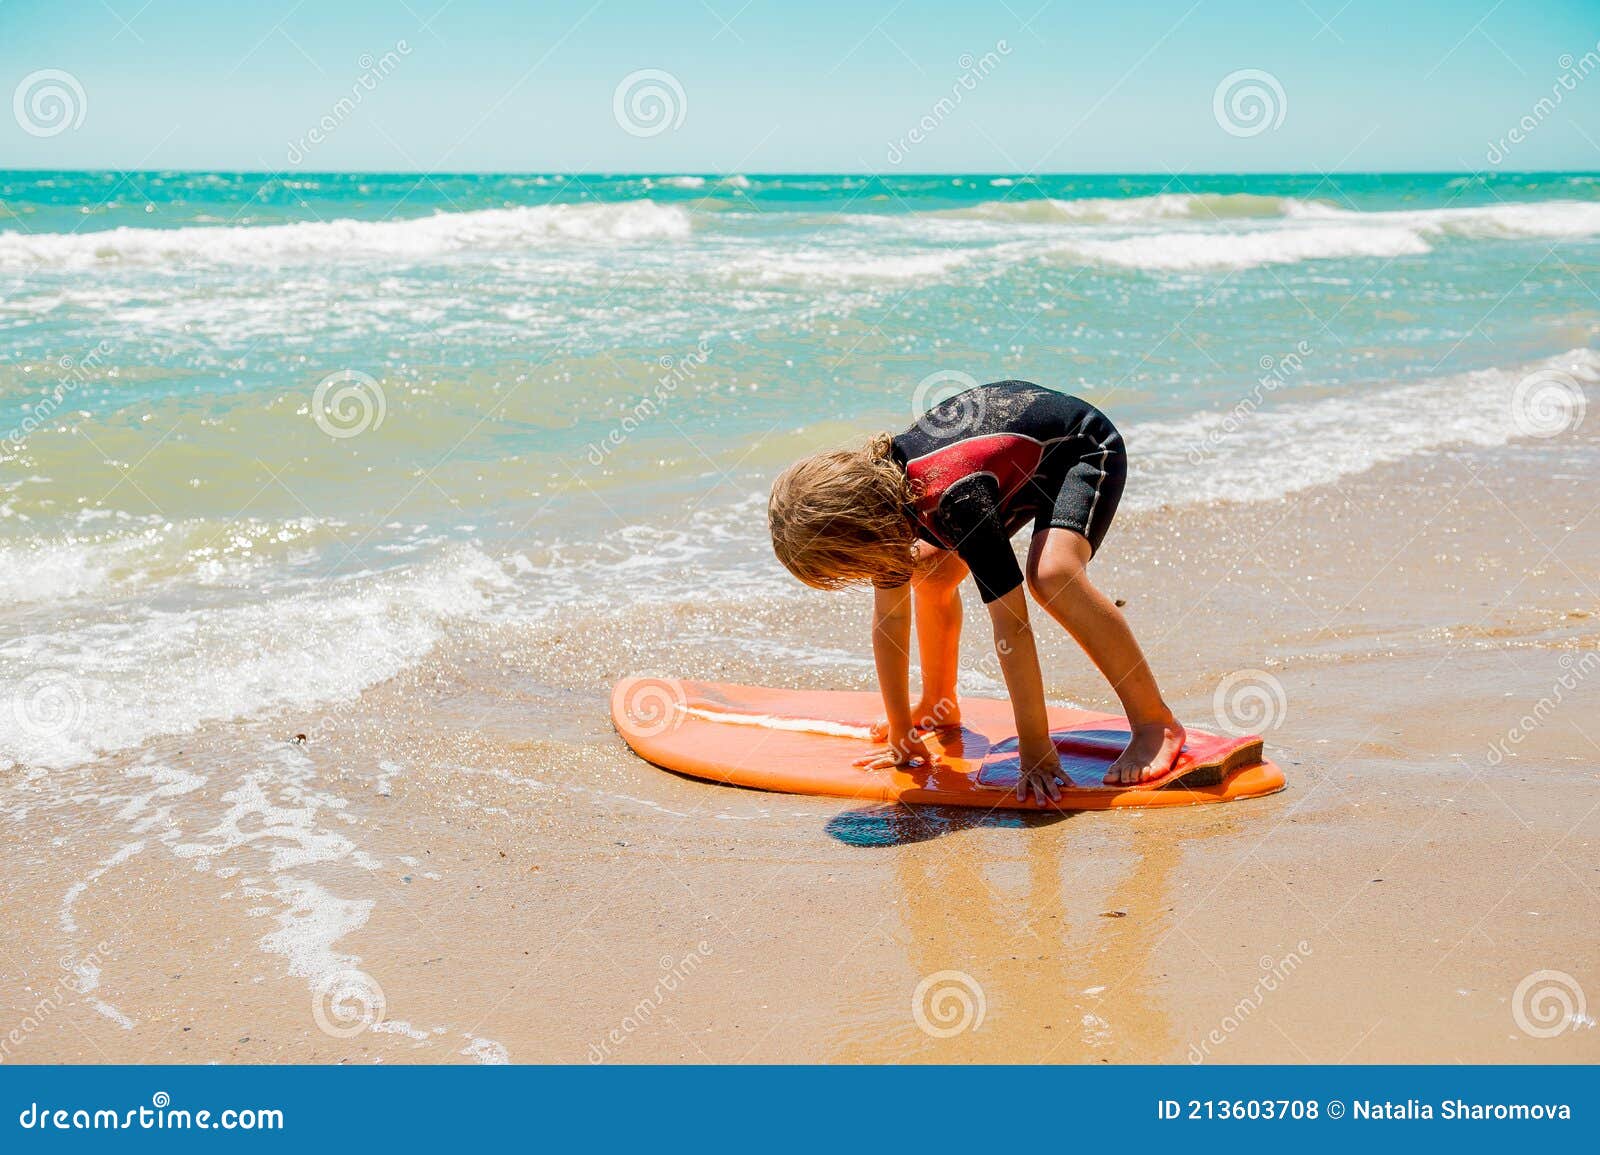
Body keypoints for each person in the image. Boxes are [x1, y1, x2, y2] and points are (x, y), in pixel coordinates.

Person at [767, 379, 1185, 803]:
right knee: (928, 570)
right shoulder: (881, 504)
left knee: (1052, 576)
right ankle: (937, 703)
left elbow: (1012, 626)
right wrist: (900, 728)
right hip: (1006, 469)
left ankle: (1155, 721)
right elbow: (890, 621)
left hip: (1080, 448)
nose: (864, 575)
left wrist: (1036, 750)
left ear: (862, 530)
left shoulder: (956, 500)